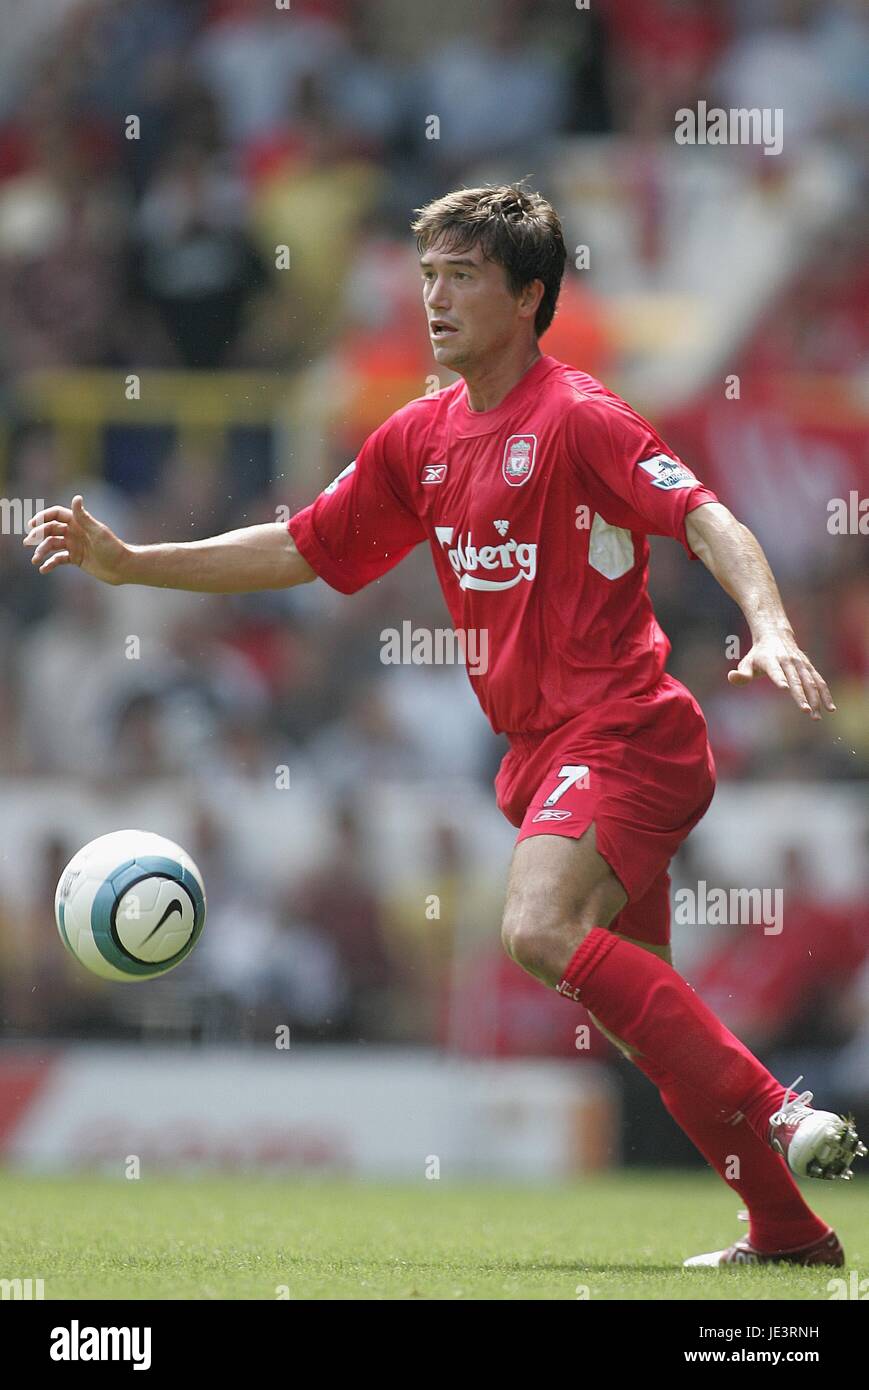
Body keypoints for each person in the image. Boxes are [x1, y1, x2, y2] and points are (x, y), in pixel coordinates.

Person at [24, 182, 863, 1268]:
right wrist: (136, 564)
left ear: (527, 297)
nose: (434, 296)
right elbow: (300, 546)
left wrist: (770, 625)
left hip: (624, 733)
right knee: (631, 1012)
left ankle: (785, 1111)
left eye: (461, 275)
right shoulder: (418, 437)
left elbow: (706, 515)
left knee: (534, 929)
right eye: (427, 275)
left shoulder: (579, 417)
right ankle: (788, 1235)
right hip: (539, 755)